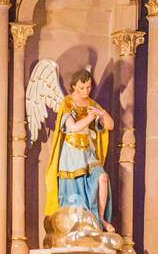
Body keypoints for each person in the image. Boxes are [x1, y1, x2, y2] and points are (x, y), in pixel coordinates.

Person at [44, 68, 115, 230]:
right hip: (72, 154)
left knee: (103, 178)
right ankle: (75, 225)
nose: (86, 91)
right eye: (82, 88)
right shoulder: (68, 102)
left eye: (89, 87)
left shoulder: (92, 104)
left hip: (88, 152)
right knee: (75, 193)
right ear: (74, 86)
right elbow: (73, 127)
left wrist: (102, 113)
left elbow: (110, 126)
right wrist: (91, 117)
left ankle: (102, 219)